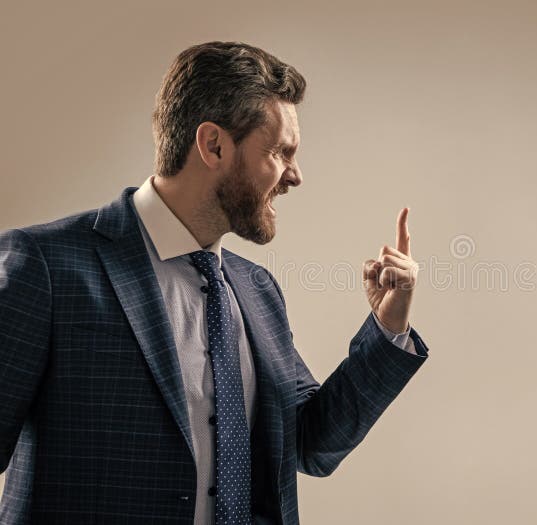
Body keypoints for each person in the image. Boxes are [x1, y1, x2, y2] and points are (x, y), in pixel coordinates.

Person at [0, 41, 429, 525]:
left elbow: (311, 444)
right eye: (280, 152)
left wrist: (388, 326)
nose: (295, 176)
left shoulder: (257, 289)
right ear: (214, 146)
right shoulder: (47, 266)